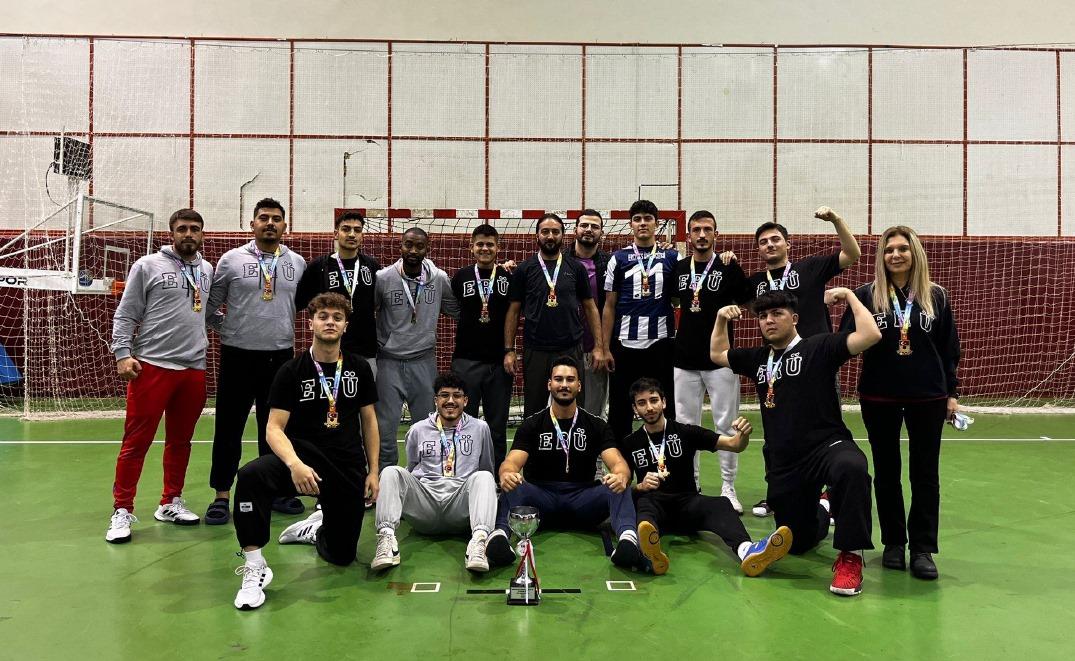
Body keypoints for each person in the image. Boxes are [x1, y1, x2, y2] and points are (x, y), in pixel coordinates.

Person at [710, 290, 881, 596]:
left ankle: (851, 556)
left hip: (826, 445)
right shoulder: (758, 358)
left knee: (852, 467)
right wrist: (721, 319)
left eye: (777, 314)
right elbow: (717, 354)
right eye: (763, 316)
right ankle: (825, 506)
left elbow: (870, 334)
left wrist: (852, 298)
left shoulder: (820, 346)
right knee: (798, 542)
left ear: (795, 318)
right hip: (785, 460)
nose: (768, 321)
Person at [231, 293, 379, 610]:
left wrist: (374, 471)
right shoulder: (291, 371)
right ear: (310, 322)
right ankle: (255, 564)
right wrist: (294, 463)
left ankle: (315, 528)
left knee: (342, 556)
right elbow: (273, 428)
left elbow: (369, 422)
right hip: (302, 462)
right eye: (323, 316)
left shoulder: (359, 368)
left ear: (346, 326)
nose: (330, 322)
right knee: (250, 477)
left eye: (337, 317)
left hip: (346, 465)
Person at [840, 225, 960, 580]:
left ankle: (923, 548)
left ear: (914, 254)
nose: (895, 254)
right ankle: (894, 543)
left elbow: (948, 350)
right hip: (879, 395)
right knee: (887, 473)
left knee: (925, 475)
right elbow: (846, 340)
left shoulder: (935, 296)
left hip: (928, 396)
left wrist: (952, 394)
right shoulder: (866, 295)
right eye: (889, 249)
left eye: (902, 249)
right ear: (881, 257)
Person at [106, 209, 213, 543]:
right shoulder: (147, 266)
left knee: (181, 441)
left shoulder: (207, 270)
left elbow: (208, 314)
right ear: (171, 234)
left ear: (202, 235)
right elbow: (126, 314)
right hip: (151, 366)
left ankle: (170, 501)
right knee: (136, 442)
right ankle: (122, 510)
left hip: (193, 369)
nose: (189, 234)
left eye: (195, 229)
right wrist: (122, 354)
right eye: (182, 229)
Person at [745, 206, 860, 517]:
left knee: (827, 426)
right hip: (775, 367)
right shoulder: (755, 282)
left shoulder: (810, 269)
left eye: (775, 239)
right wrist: (727, 260)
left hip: (816, 364)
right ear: (759, 249)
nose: (770, 245)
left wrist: (836, 219)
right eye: (763, 241)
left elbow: (852, 254)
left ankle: (832, 496)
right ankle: (776, 494)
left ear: (788, 244)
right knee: (776, 432)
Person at [619, 377, 792, 577]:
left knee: (721, 504)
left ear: (664, 402)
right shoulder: (630, 443)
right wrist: (640, 486)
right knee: (643, 506)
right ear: (635, 409)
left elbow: (734, 445)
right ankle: (650, 553)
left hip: (688, 504)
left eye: (653, 400)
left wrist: (743, 435)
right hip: (655, 507)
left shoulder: (686, 432)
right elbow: (624, 488)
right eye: (642, 403)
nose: (649, 407)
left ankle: (748, 551)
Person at [204, 198, 307, 524]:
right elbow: (210, 308)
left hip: (280, 357)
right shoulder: (231, 260)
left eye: (277, 219)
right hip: (238, 356)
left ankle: (277, 490)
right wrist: (232, 329)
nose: (270, 223)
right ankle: (222, 494)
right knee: (228, 428)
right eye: (264, 218)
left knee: (275, 428)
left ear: (285, 226)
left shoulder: (298, 263)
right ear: (252, 224)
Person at [486, 357, 642, 569]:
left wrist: (621, 475)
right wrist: (507, 474)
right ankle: (500, 537)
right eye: (558, 379)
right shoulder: (532, 424)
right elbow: (511, 463)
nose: (564, 385)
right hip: (541, 499)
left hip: (583, 498)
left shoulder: (596, 425)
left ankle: (627, 540)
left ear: (579, 385)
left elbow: (618, 463)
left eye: (570, 380)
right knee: (514, 485)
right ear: (549, 384)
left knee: (619, 485)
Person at [366, 372, 499, 573]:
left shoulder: (480, 428)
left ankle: (479, 542)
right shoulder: (417, 430)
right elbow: (411, 468)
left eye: (457, 395)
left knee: (485, 477)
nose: (450, 401)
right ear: (435, 400)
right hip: (424, 509)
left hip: (461, 510)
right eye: (444, 395)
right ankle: (386, 541)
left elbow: (486, 466)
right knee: (391, 471)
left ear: (466, 400)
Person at [671, 210, 751, 513]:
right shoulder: (678, 269)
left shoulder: (729, 267)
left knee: (725, 423)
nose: (702, 235)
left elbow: (746, 301)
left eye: (707, 229)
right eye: (696, 230)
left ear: (716, 234)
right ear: (688, 235)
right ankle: (690, 482)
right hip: (684, 359)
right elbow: (673, 301)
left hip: (721, 360)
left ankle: (728, 487)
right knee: (685, 425)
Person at [504, 213, 608, 418]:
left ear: (563, 235)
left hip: (570, 347)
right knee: (534, 409)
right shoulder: (524, 269)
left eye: (555, 231)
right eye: (545, 231)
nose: (550, 236)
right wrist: (509, 349)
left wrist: (598, 346)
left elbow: (590, 307)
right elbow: (513, 312)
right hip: (536, 349)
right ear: (537, 236)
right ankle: (534, 450)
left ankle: (575, 449)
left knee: (576, 407)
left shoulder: (575, 268)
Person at [374, 227, 459, 473]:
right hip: (389, 362)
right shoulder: (383, 278)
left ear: (427, 249)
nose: (413, 251)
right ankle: (384, 479)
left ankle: (427, 477)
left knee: (428, 426)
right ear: (400, 246)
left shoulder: (439, 279)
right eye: (408, 245)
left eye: (419, 246)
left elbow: (460, 311)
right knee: (385, 428)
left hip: (423, 361)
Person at [601, 200, 679, 442]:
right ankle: (619, 470)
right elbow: (609, 306)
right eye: (637, 219)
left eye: (648, 218)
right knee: (620, 411)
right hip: (625, 345)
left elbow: (679, 300)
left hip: (661, 344)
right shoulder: (618, 258)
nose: (643, 223)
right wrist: (604, 348)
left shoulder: (673, 257)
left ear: (656, 224)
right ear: (631, 225)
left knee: (664, 407)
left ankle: (667, 466)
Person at [450, 225, 514, 469]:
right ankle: (462, 472)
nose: (485, 249)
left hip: (499, 363)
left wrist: (510, 350)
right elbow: (453, 308)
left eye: (490, 244)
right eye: (480, 244)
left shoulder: (509, 278)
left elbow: (515, 313)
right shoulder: (461, 277)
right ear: (471, 248)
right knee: (463, 422)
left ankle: (497, 475)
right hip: (466, 360)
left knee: (497, 426)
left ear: (498, 248)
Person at [295, 210, 381, 377]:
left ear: (362, 235)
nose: (352, 234)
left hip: (365, 350)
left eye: (357, 230)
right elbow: (299, 303)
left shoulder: (371, 266)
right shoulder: (319, 266)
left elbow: (380, 304)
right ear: (336, 233)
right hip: (328, 350)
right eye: (346, 229)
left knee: (364, 400)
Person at [568, 210, 611, 416]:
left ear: (601, 232)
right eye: (584, 225)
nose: (588, 230)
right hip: (566, 348)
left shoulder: (610, 263)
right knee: (562, 410)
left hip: (596, 349)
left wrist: (602, 346)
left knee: (594, 413)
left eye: (594, 226)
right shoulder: (559, 261)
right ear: (575, 229)